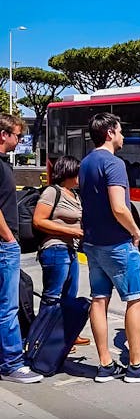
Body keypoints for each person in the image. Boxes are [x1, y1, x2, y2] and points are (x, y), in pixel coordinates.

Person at [79, 112, 140, 383]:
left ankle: (105, 364)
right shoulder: (114, 164)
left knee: (99, 299)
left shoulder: (86, 163)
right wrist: (135, 230)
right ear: (109, 133)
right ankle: (136, 365)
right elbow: (119, 207)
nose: (122, 136)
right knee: (136, 299)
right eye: (119, 131)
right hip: (117, 243)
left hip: (93, 243)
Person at [32, 155, 90, 352]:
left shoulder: (75, 195)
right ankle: (40, 339)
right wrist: (72, 232)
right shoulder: (52, 192)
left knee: (69, 296)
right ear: (69, 172)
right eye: (78, 172)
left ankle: (64, 335)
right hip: (55, 249)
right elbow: (39, 220)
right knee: (52, 297)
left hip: (71, 250)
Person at [0, 113, 42, 384]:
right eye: (17, 135)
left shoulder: (4, 164)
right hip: (4, 245)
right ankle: (12, 362)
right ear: (3, 134)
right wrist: (8, 238)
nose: (20, 141)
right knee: (8, 306)